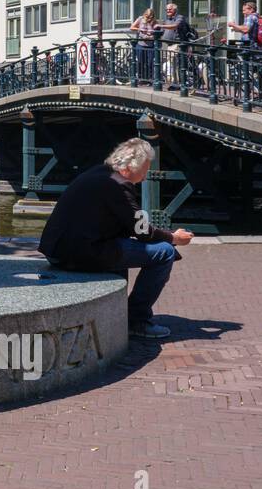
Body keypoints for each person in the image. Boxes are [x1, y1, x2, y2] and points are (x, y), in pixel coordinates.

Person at [38, 138, 195, 339]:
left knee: (123, 244)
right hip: (79, 254)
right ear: (132, 166)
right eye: (146, 169)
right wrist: (173, 237)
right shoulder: (119, 185)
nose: (146, 176)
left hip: (58, 250)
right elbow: (142, 230)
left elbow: (130, 224)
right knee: (165, 252)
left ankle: (120, 314)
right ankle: (136, 320)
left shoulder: (99, 173)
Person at [156, 2, 191, 85]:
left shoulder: (180, 17)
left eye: (170, 9)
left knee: (177, 65)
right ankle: (175, 83)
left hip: (177, 44)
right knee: (172, 65)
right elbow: (162, 31)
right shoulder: (167, 20)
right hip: (169, 45)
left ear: (175, 9)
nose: (168, 11)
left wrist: (160, 25)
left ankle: (180, 84)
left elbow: (175, 26)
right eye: (166, 9)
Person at [130, 7, 158, 80]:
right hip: (141, 44)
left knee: (150, 63)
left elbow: (157, 32)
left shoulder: (154, 22)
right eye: (147, 15)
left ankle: (150, 79)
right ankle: (141, 78)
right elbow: (132, 27)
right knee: (140, 62)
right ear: (145, 14)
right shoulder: (140, 19)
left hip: (150, 45)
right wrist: (139, 29)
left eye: (150, 16)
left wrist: (151, 36)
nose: (148, 17)